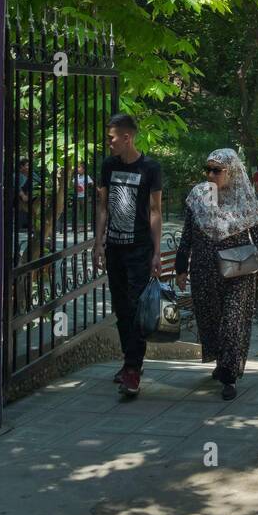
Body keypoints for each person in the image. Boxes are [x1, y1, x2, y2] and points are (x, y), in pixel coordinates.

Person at [175, 149, 258, 401]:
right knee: (211, 320)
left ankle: (230, 375)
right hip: (203, 271)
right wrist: (181, 269)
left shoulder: (244, 199)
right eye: (208, 169)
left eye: (217, 170)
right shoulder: (198, 197)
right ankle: (221, 363)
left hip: (238, 272)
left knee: (233, 321)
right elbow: (187, 236)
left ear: (231, 171)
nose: (211, 175)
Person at [93, 113, 163, 397]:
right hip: (115, 248)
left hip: (139, 249)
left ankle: (134, 369)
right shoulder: (108, 165)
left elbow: (156, 211)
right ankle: (128, 361)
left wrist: (157, 252)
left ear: (127, 138)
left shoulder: (150, 168)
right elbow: (102, 207)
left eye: (112, 138)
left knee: (136, 309)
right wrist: (98, 243)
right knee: (121, 309)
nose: (108, 143)